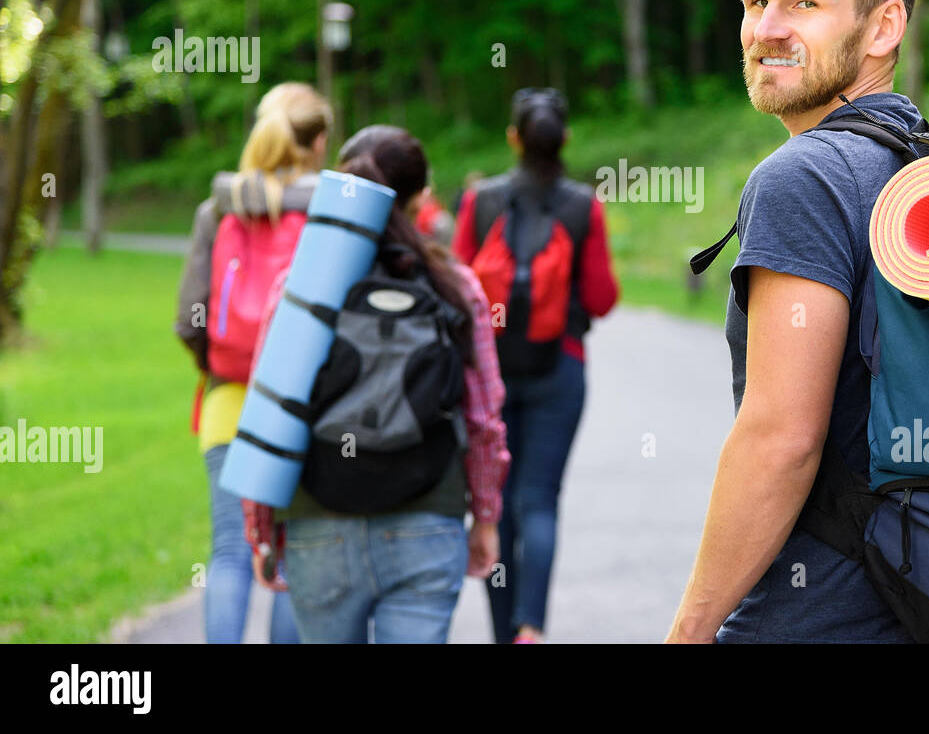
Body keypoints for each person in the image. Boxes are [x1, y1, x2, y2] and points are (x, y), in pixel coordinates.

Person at [667, 0, 925, 643]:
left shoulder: (802, 177)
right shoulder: (928, 163)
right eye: (754, 2)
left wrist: (690, 629)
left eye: (803, 3)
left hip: (820, 617)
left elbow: (781, 437)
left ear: (884, 27)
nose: (765, 29)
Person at [246, 129, 509, 643]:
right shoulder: (455, 286)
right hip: (427, 517)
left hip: (319, 525)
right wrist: (486, 517)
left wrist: (261, 530)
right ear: (422, 197)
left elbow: (268, 411)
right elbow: (483, 419)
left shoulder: (299, 286)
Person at [452, 88, 618, 644]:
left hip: (489, 378)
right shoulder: (582, 206)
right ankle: (531, 628)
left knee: (495, 507)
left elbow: (456, 286)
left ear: (513, 138)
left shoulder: (480, 201)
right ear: (564, 139)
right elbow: (600, 297)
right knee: (539, 499)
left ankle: (504, 634)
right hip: (560, 369)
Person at [174, 81, 333, 644]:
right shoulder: (331, 213)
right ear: (317, 144)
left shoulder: (216, 210)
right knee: (291, 557)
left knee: (230, 552)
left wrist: (217, 362)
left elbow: (189, 318)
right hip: (301, 406)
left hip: (227, 402)